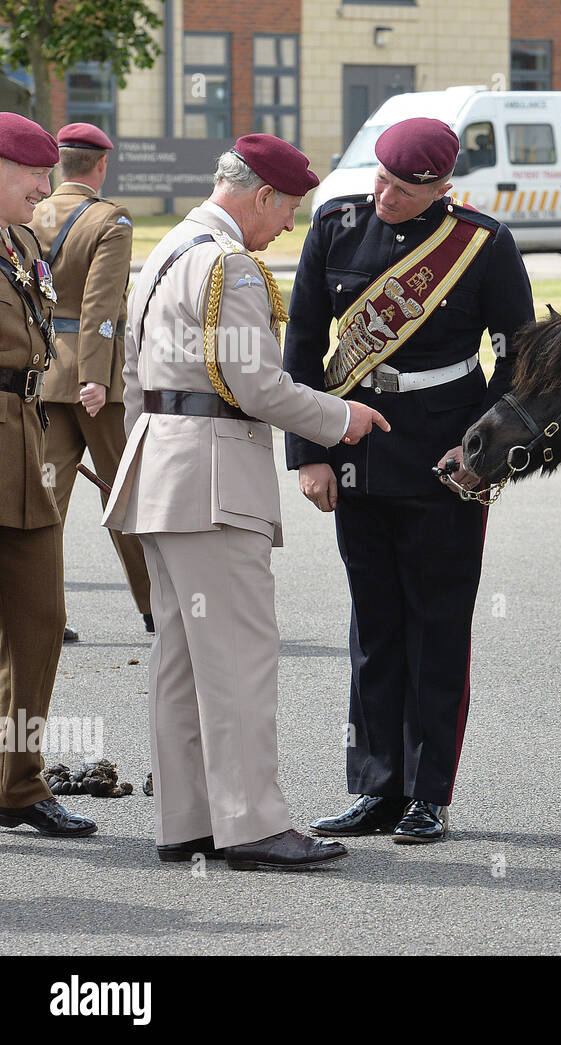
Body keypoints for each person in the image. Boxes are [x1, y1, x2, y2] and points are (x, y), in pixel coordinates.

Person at [102, 134, 390, 870]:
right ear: (262, 194)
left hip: (161, 469)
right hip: (211, 478)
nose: (290, 224)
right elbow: (256, 385)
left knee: (181, 659)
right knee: (238, 658)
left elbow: (133, 376)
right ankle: (254, 823)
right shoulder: (230, 265)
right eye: (288, 206)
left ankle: (189, 820)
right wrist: (339, 417)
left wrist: (151, 453)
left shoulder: (166, 249)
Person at [283, 117, 533, 843]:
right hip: (354, 449)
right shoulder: (336, 223)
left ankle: (428, 793)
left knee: (438, 624)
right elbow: (302, 341)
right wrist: (310, 451)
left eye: (404, 186)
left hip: (444, 455)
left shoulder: (483, 244)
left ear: (442, 188)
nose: (385, 195)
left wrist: (479, 449)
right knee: (374, 623)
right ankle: (374, 787)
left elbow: (519, 358)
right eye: (380, 179)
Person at [0, 112, 97, 839]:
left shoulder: (25, 240)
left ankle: (18, 782)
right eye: (31, 172)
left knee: (40, 621)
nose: (46, 184)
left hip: (24, 444)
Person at [28, 123, 151, 643]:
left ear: (58, 164)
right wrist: (97, 377)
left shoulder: (29, 213)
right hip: (96, 383)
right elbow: (103, 307)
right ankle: (156, 608)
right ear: (101, 165)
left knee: (45, 499)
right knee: (126, 497)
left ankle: (39, 614)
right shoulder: (110, 218)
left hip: (44, 375)